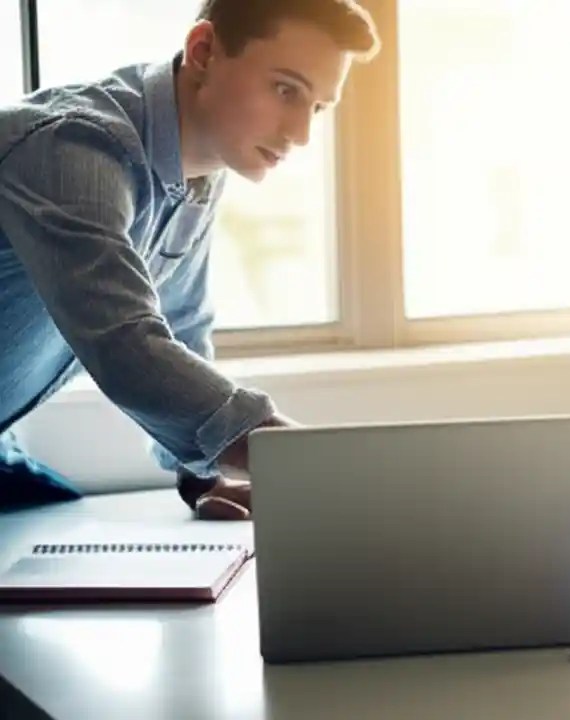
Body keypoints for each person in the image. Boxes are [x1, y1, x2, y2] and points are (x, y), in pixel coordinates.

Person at [0, 0, 380, 519]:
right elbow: (126, 344)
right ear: (203, 51)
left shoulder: (198, 174)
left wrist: (203, 478)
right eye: (285, 89)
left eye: (316, 107)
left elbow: (181, 328)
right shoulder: (72, 148)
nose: (300, 134)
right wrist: (304, 466)